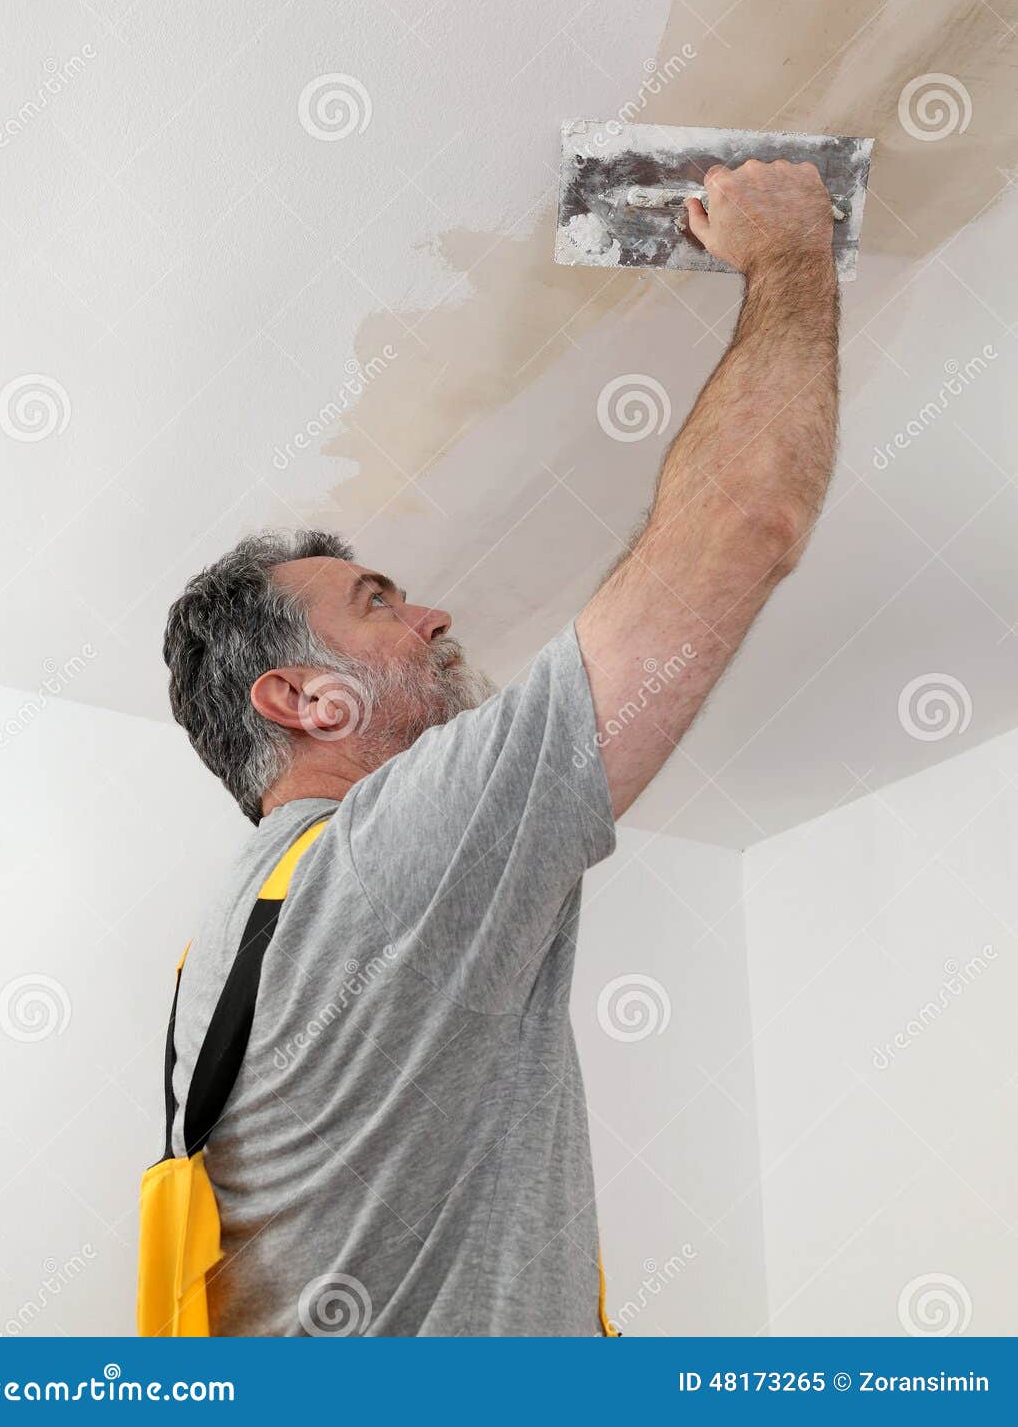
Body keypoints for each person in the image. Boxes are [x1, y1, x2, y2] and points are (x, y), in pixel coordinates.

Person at [161, 160, 839, 1336]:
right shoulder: (378, 863)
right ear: (304, 700)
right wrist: (789, 255)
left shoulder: (239, 934)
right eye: (381, 603)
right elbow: (746, 523)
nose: (434, 618)